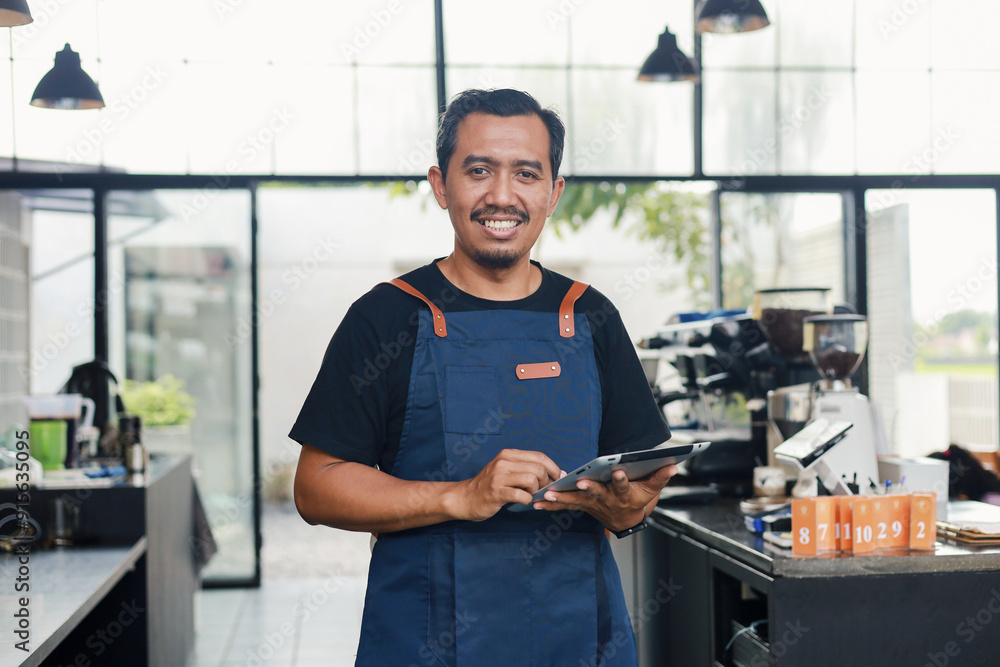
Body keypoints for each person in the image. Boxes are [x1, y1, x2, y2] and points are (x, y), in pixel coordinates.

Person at [291, 88, 676, 666]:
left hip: (576, 639)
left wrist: (625, 511)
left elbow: (635, 489)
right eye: (478, 171)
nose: (503, 196)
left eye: (526, 173)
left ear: (553, 192)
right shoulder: (388, 316)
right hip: (425, 642)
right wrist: (461, 496)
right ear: (441, 185)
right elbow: (316, 487)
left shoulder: (591, 316)